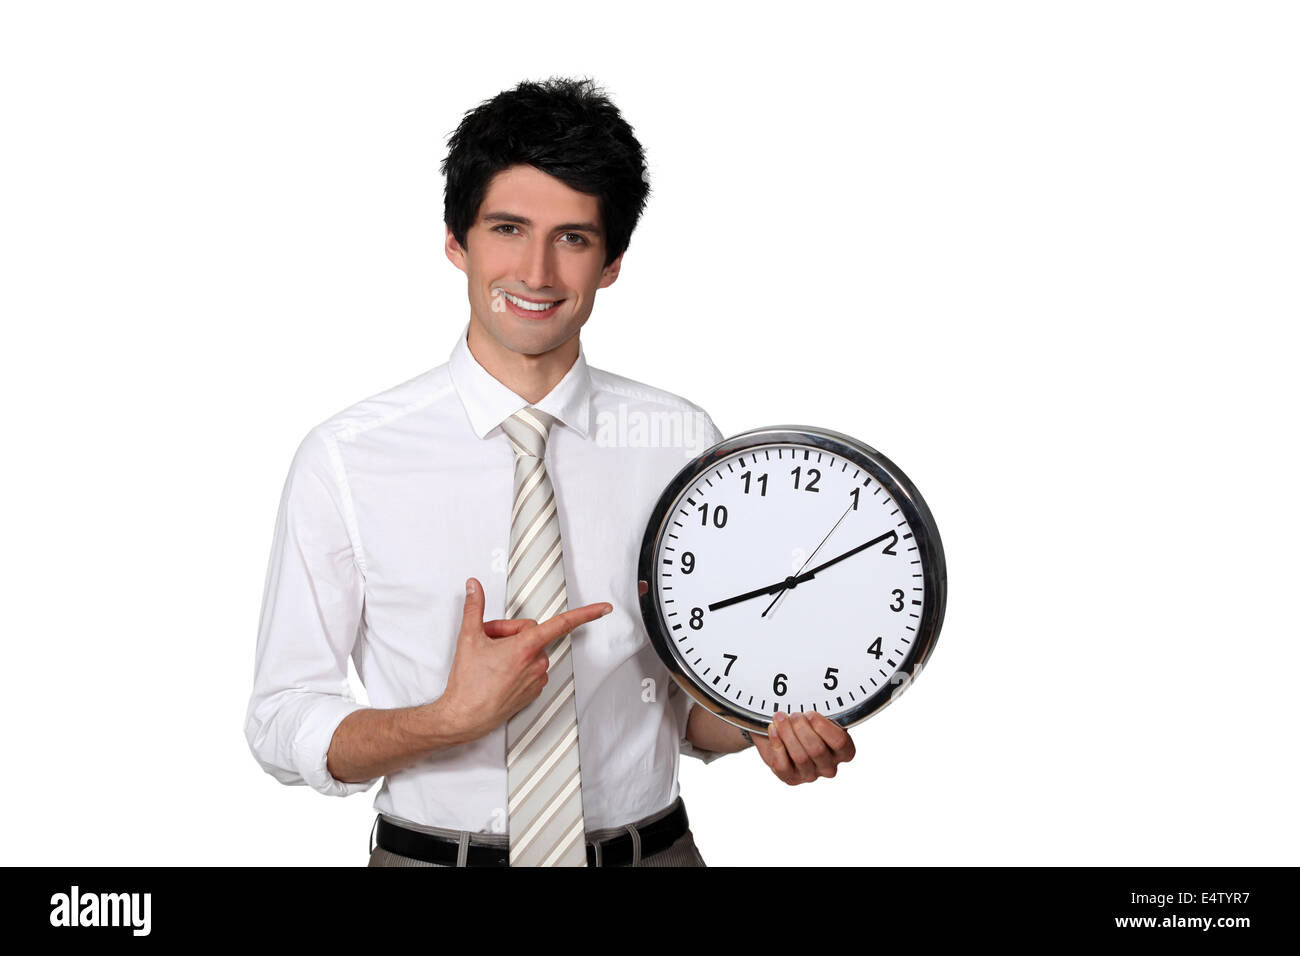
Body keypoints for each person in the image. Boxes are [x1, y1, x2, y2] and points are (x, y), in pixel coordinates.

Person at [245, 77, 855, 867]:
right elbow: (279, 718)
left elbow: (694, 715)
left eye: (572, 238)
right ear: (456, 241)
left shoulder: (680, 440)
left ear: (611, 263)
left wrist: (764, 726)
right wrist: (446, 719)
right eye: (507, 228)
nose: (535, 271)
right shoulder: (348, 457)